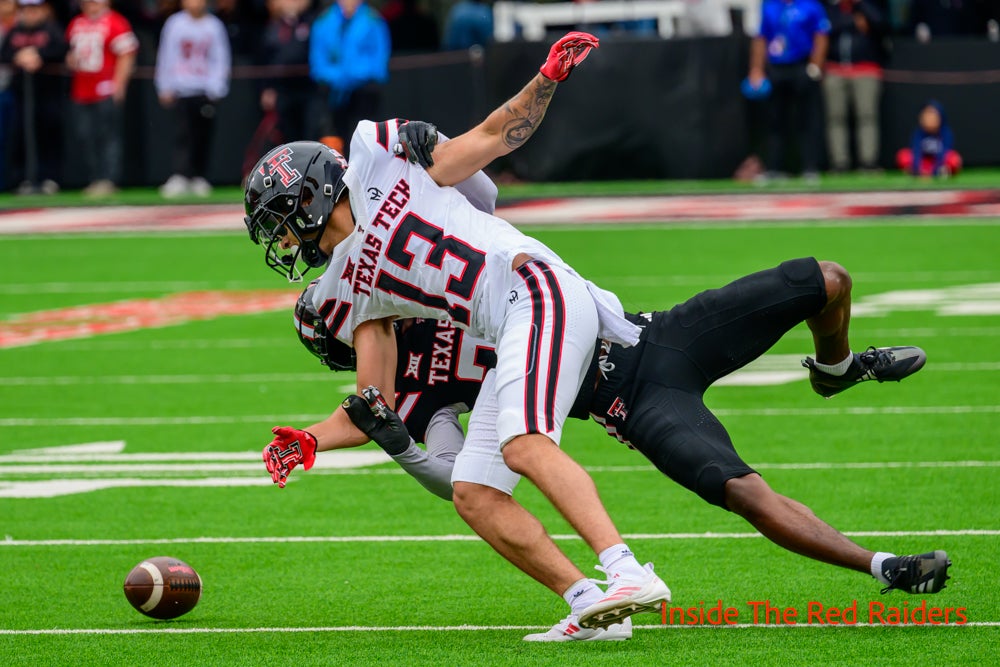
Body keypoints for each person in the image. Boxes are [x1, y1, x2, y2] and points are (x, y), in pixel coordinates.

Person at [244, 32, 671, 633]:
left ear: (308, 197)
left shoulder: (377, 156)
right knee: (473, 491)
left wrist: (546, 78)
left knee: (522, 444)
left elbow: (493, 137)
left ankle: (626, 566)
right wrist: (311, 440)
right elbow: (375, 403)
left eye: (280, 225)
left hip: (535, 286)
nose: (283, 243)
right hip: (508, 322)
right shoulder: (345, 285)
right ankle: (587, 603)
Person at [288, 254, 951, 637]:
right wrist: (383, 442)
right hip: (631, 401)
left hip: (657, 335)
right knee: (741, 488)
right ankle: (883, 566)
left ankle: (834, 372)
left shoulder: (430, 293)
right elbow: (458, 478)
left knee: (826, 279)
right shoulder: (405, 395)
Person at [746, 0, 830, 183]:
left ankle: (810, 167)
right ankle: (774, 168)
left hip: (801, 64)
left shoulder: (810, 6)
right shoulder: (769, 6)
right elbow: (761, 38)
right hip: (777, 67)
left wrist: (815, 64)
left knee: (807, 119)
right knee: (775, 120)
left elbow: (821, 35)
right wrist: (756, 68)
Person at [154, 0, 231, 198]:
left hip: (204, 88)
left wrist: (217, 86)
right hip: (181, 88)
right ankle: (181, 175)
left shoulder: (214, 25)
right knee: (182, 134)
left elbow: (220, 57)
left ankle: (198, 175)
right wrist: (165, 84)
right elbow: (166, 55)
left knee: (202, 134)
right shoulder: (175, 23)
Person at [65, 0, 138, 197]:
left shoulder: (115, 22)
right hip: (81, 89)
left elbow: (127, 53)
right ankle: (95, 177)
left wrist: (119, 83)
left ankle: (108, 179)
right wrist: (70, 59)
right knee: (85, 135)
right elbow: (71, 51)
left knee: (107, 135)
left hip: (105, 87)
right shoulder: (77, 23)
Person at [0, 0, 68, 195]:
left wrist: (39, 55)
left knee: (48, 135)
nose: (30, 13)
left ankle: (50, 178)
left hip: (48, 94)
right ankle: (24, 178)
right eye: (26, 9)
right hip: (21, 94)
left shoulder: (51, 29)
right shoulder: (17, 30)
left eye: (34, 9)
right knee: (21, 136)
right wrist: (19, 56)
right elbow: (4, 53)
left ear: (42, 10)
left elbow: (61, 49)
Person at [308, 0, 390, 156]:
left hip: (365, 91)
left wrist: (354, 75)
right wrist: (337, 76)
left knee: (368, 140)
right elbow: (317, 62)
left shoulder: (374, 20)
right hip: (333, 93)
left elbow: (379, 60)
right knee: (333, 139)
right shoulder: (324, 21)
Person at [823, 0, 887, 173]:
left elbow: (881, 24)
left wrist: (861, 5)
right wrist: (853, 22)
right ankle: (839, 163)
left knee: (867, 116)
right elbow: (826, 27)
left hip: (865, 69)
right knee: (836, 118)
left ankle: (868, 162)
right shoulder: (832, 8)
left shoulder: (869, 7)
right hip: (835, 69)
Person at [254, 0, 318, 145]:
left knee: (310, 133)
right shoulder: (272, 28)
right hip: (282, 89)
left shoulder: (313, 24)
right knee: (285, 134)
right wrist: (266, 88)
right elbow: (264, 60)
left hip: (309, 88)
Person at [895, 99, 962, 178]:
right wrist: (918, 169)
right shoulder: (918, 133)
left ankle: (942, 171)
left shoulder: (945, 133)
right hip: (923, 163)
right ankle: (914, 171)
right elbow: (916, 151)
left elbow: (944, 152)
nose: (929, 119)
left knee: (954, 159)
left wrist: (934, 171)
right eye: (926, 116)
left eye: (933, 116)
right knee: (903, 155)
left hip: (938, 163)